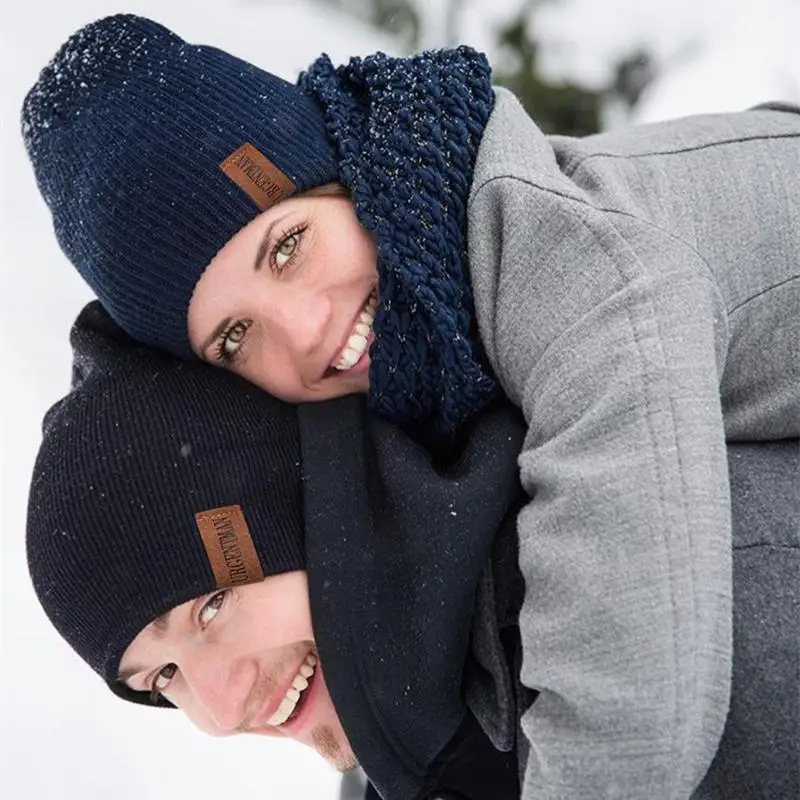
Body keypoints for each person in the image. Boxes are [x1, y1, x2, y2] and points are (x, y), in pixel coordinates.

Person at [22, 13, 800, 799]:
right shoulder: (434, 364)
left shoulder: (571, 272)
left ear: (343, 172)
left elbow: (631, 700)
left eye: (288, 246)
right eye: (233, 337)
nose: (305, 331)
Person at [28, 302, 799, 800]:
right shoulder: (396, 759)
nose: (223, 711)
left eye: (212, 605)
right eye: (161, 678)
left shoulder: (713, 587)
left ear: (316, 500)